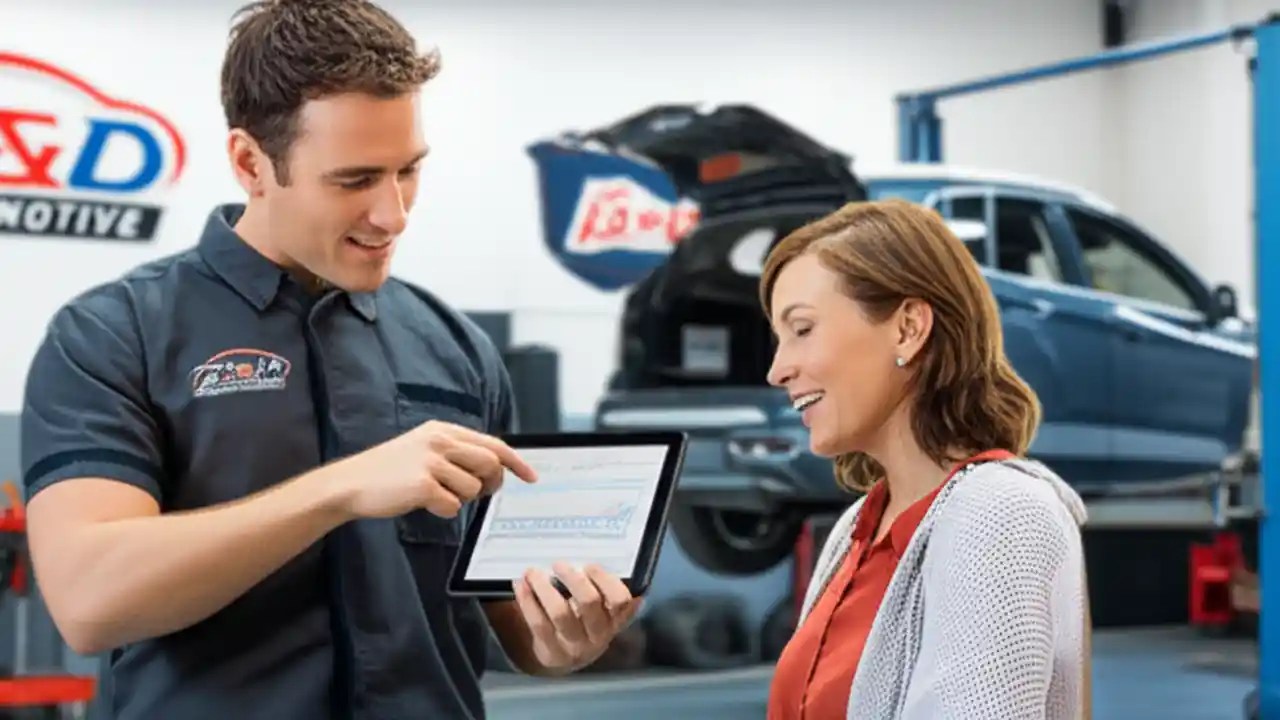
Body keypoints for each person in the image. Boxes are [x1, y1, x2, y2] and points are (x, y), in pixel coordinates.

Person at [19, 1, 641, 718]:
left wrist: (562, 639)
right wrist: (339, 491)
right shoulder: (112, 335)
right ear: (251, 163)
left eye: (408, 171)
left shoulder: (457, 348)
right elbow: (91, 602)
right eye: (354, 181)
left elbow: (511, 625)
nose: (394, 213)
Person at [761, 199, 1091, 719]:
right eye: (779, 340)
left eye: (802, 329)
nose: (778, 369)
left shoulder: (1001, 512)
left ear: (908, 328)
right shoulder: (860, 526)